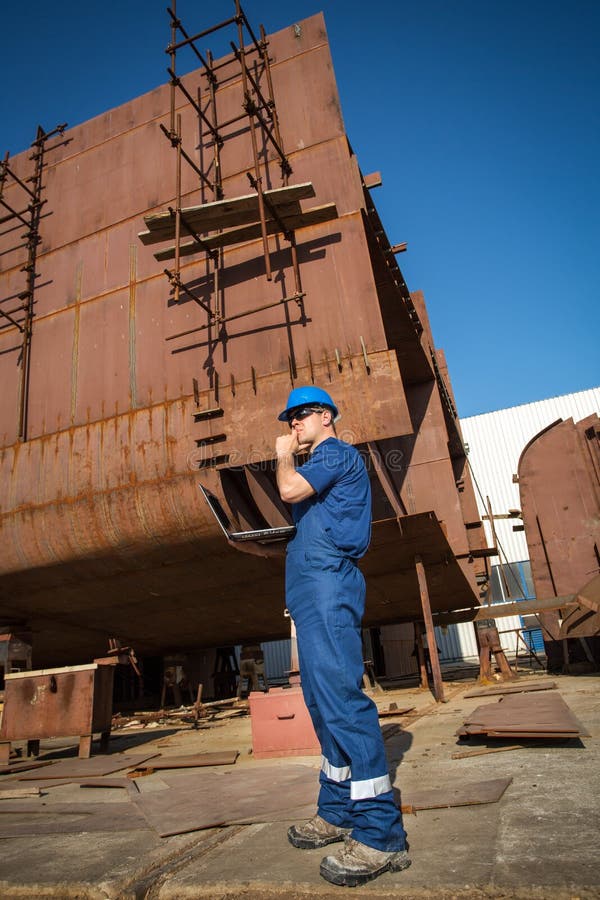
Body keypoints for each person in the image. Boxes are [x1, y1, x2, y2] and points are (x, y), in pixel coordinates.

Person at [274, 385, 410, 888]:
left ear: (326, 417)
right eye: (290, 420)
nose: (294, 425)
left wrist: (282, 458)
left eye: (302, 416)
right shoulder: (319, 466)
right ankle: (336, 811)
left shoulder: (333, 453)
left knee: (342, 702)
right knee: (320, 702)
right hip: (311, 585)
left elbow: (288, 491)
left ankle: (380, 833)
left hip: (329, 580)